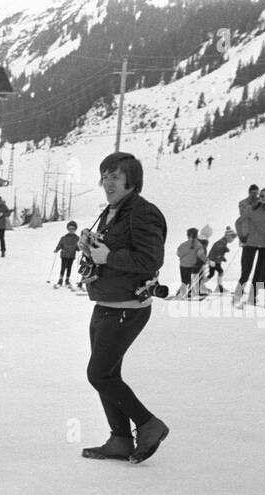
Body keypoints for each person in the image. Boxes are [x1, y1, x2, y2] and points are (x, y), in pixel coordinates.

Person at [78, 151, 169, 464]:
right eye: (105, 175)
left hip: (127, 308)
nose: (108, 182)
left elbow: (150, 259)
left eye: (115, 176)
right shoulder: (112, 211)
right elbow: (111, 250)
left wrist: (108, 257)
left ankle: (148, 424)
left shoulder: (143, 213)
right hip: (106, 303)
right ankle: (119, 439)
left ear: (132, 181)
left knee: (99, 374)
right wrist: (91, 248)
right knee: (109, 373)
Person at [232, 186, 265, 307]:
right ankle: (237, 296)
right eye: (262, 196)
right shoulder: (251, 209)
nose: (264, 198)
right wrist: (241, 235)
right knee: (246, 271)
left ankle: (252, 297)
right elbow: (238, 222)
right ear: (259, 197)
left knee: (259, 272)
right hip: (250, 242)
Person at [174, 227, 207, 298]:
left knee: (184, 281)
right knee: (189, 280)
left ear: (188, 235)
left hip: (182, 265)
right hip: (191, 265)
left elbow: (178, 253)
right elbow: (200, 255)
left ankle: (183, 293)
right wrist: (207, 261)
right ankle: (186, 293)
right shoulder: (198, 245)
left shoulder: (183, 244)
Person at [206, 227, 235, 293]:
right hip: (214, 261)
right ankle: (218, 287)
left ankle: (218, 287)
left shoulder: (223, 242)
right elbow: (216, 252)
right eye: (232, 237)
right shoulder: (221, 242)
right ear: (228, 236)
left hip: (215, 261)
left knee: (212, 274)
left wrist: (222, 257)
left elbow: (219, 252)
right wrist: (211, 260)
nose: (233, 240)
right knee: (220, 272)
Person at [54, 220, 81, 287]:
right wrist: (57, 249)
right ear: (68, 229)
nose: (71, 230)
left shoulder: (77, 238)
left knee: (69, 267)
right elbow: (60, 244)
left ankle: (67, 280)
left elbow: (78, 246)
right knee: (63, 267)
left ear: (75, 229)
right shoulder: (64, 237)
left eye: (73, 229)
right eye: (70, 228)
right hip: (64, 255)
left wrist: (79, 248)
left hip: (71, 255)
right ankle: (60, 279)